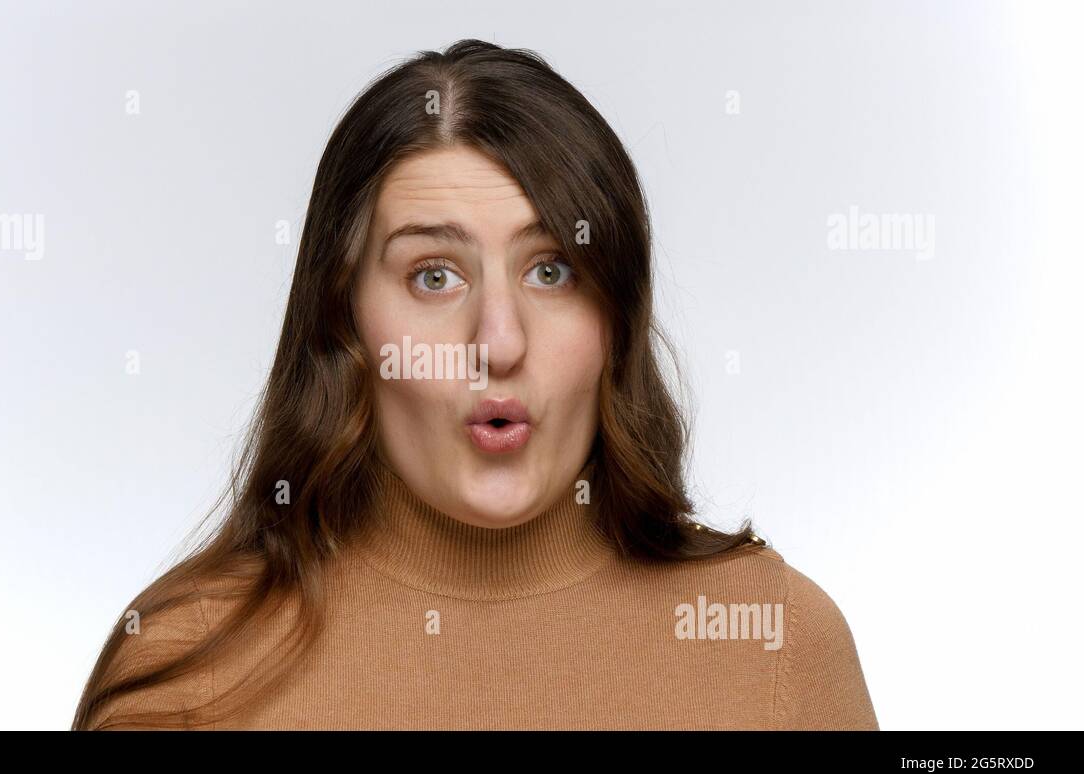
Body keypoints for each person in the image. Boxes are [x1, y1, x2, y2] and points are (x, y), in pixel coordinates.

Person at [72, 39, 878, 731]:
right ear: (343, 317)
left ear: (616, 317)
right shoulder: (181, 672)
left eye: (552, 269)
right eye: (433, 276)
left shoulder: (777, 644)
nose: (499, 340)